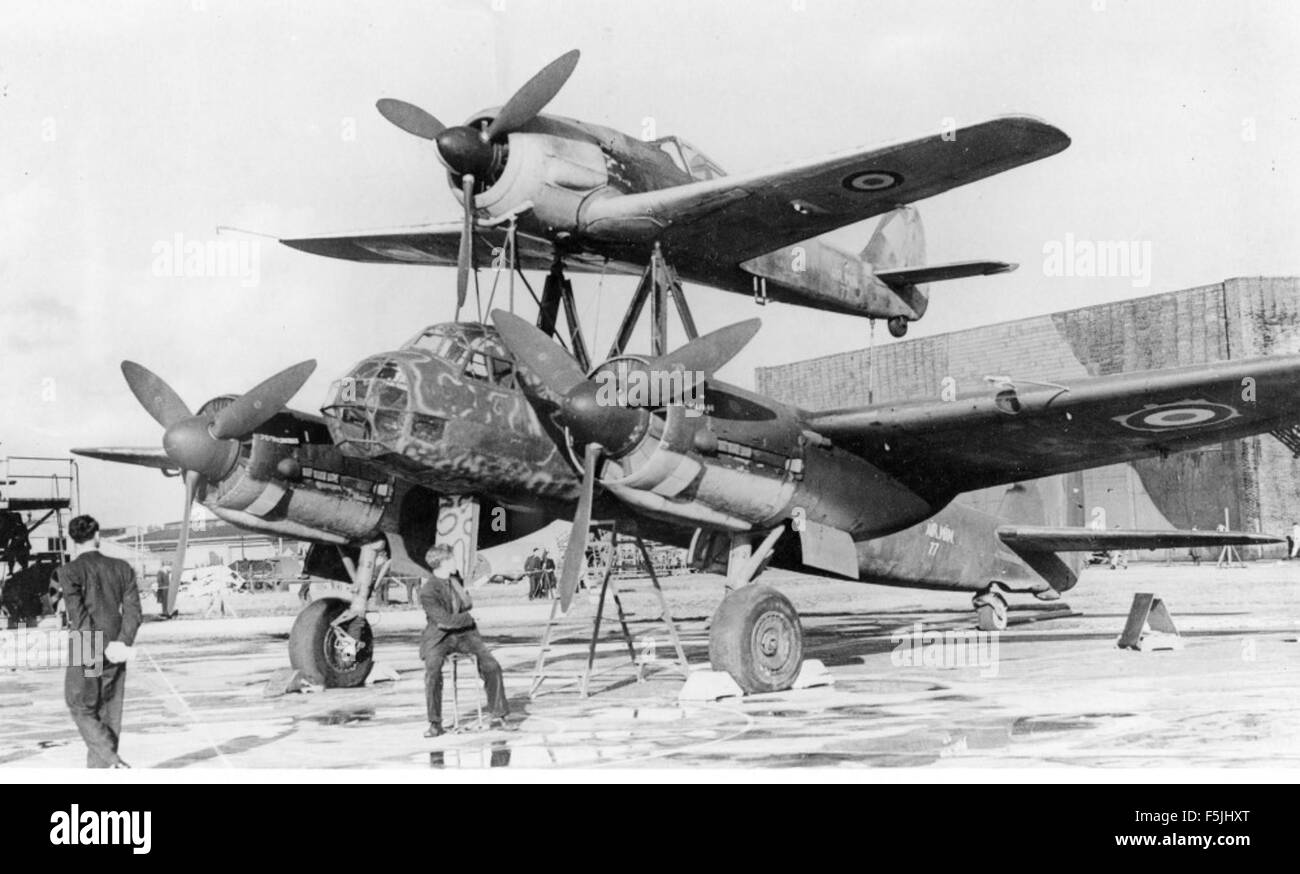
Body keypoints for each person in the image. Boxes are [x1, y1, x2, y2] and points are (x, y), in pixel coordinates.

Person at [61, 515, 141, 768]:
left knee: (80, 704)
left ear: (72, 540)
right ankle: (102, 770)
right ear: (97, 536)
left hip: (87, 643)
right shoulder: (122, 568)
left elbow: (78, 614)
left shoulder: (69, 571)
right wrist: (121, 642)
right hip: (117, 642)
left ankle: (109, 760)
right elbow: (133, 612)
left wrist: (99, 644)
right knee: (110, 707)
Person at [419, 544, 509, 737]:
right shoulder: (427, 591)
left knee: (491, 666)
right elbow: (444, 621)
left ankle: (498, 715)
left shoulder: (455, 580)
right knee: (432, 672)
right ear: (441, 563)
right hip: (439, 637)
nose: (455, 562)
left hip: (465, 635)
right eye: (451, 559)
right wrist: (468, 619)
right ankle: (435, 723)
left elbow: (467, 603)